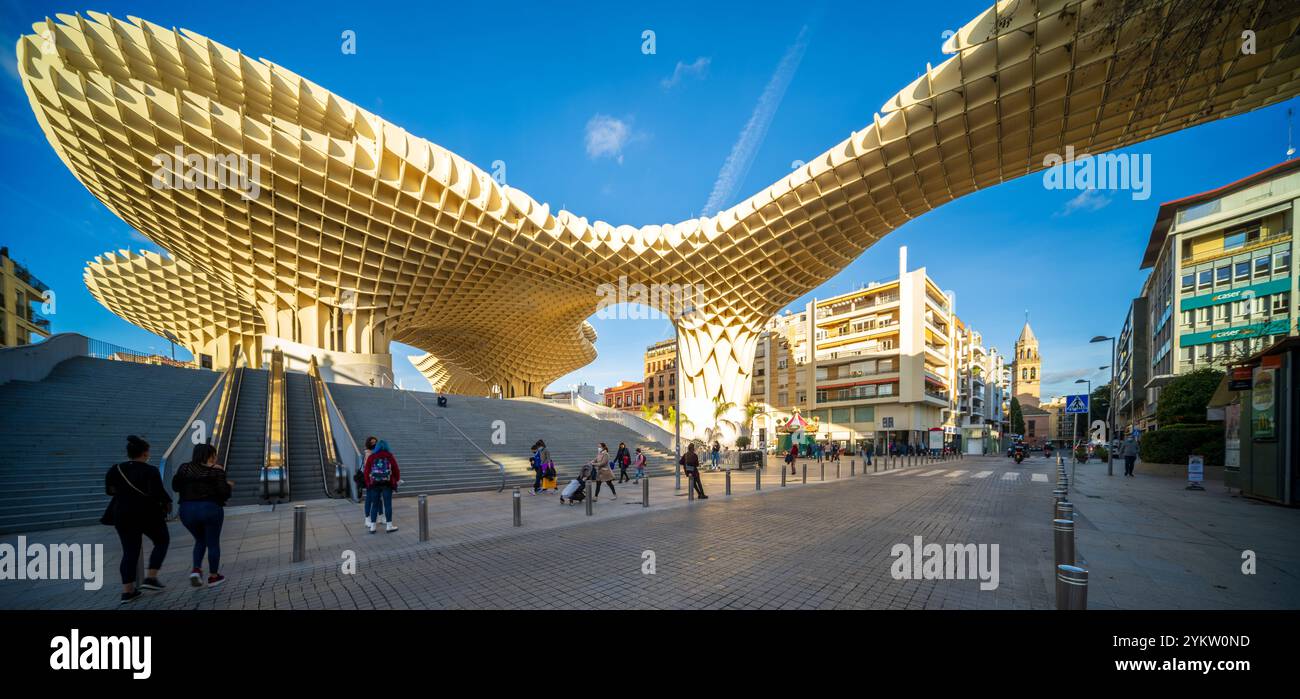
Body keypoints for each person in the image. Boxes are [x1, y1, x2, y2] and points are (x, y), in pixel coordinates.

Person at [103, 435, 171, 605]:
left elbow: (110, 491)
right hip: (147, 513)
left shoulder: (115, 469)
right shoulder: (150, 470)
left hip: (122, 514)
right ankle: (151, 577)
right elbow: (157, 494)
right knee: (162, 540)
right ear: (145, 453)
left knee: (129, 551)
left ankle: (128, 592)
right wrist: (167, 503)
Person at [172, 443, 233, 588]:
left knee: (200, 540)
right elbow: (224, 494)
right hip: (209, 508)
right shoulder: (216, 471)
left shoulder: (184, 468)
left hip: (187, 510)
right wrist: (228, 485)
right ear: (211, 455)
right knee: (212, 542)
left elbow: (175, 486)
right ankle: (213, 576)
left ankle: (196, 570)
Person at [364, 439, 401, 533]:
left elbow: (366, 471)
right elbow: (396, 469)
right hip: (387, 484)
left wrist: (368, 482)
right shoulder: (389, 456)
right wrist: (396, 480)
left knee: (375, 505)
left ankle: (372, 527)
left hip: (374, 484)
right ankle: (389, 526)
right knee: (388, 504)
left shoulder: (372, 457)